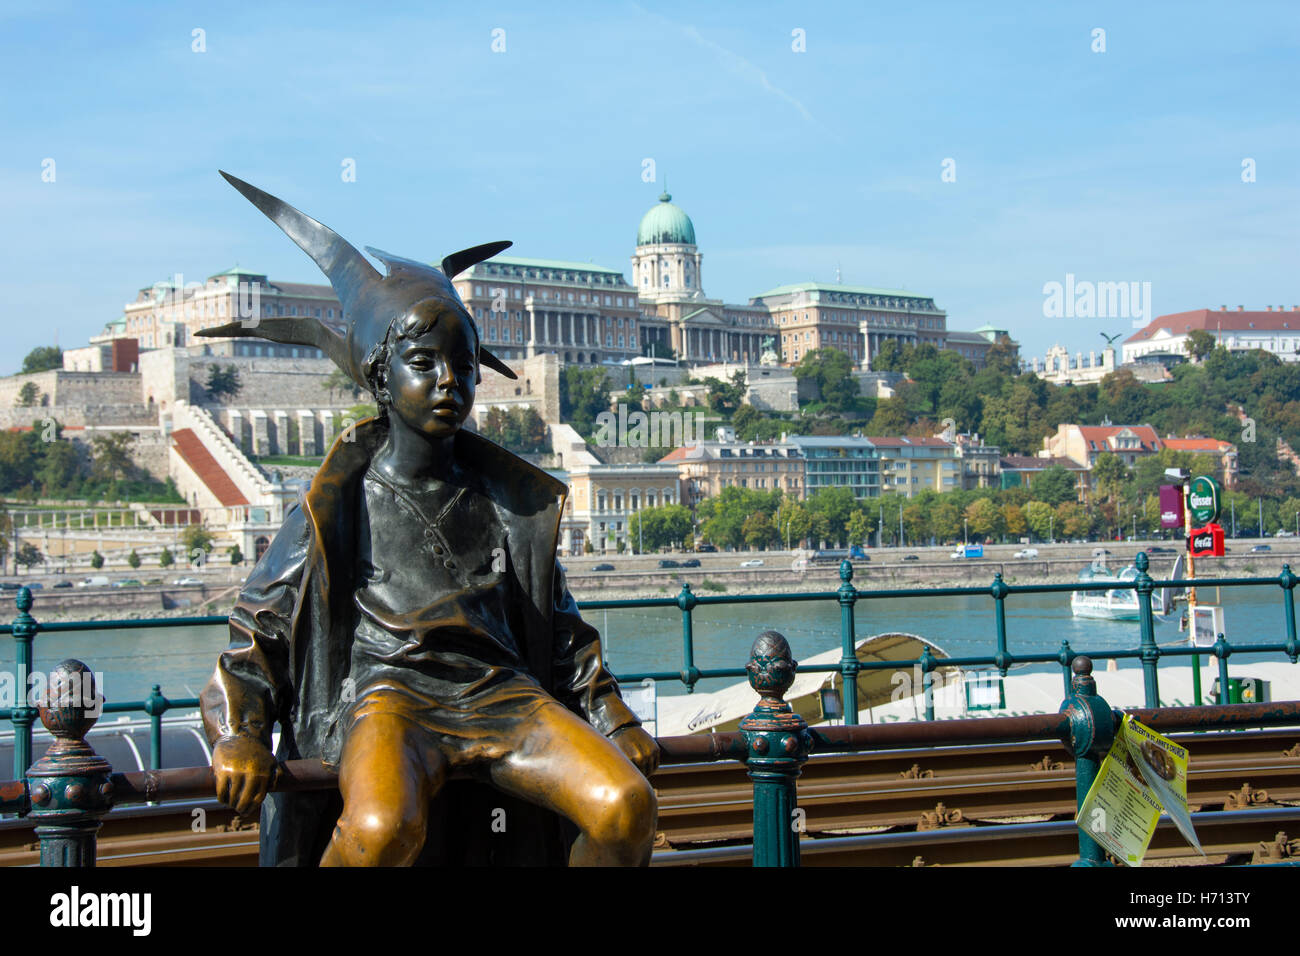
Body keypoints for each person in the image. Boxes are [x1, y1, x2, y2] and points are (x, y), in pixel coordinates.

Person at [198, 173, 658, 866]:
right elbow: (259, 628)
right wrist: (238, 730)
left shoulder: (506, 500)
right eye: (424, 363)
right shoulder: (336, 501)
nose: (450, 381)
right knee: (381, 829)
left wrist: (611, 714)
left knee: (626, 807)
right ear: (381, 378)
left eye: (465, 366)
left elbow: (561, 628)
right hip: (390, 698)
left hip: (504, 695)